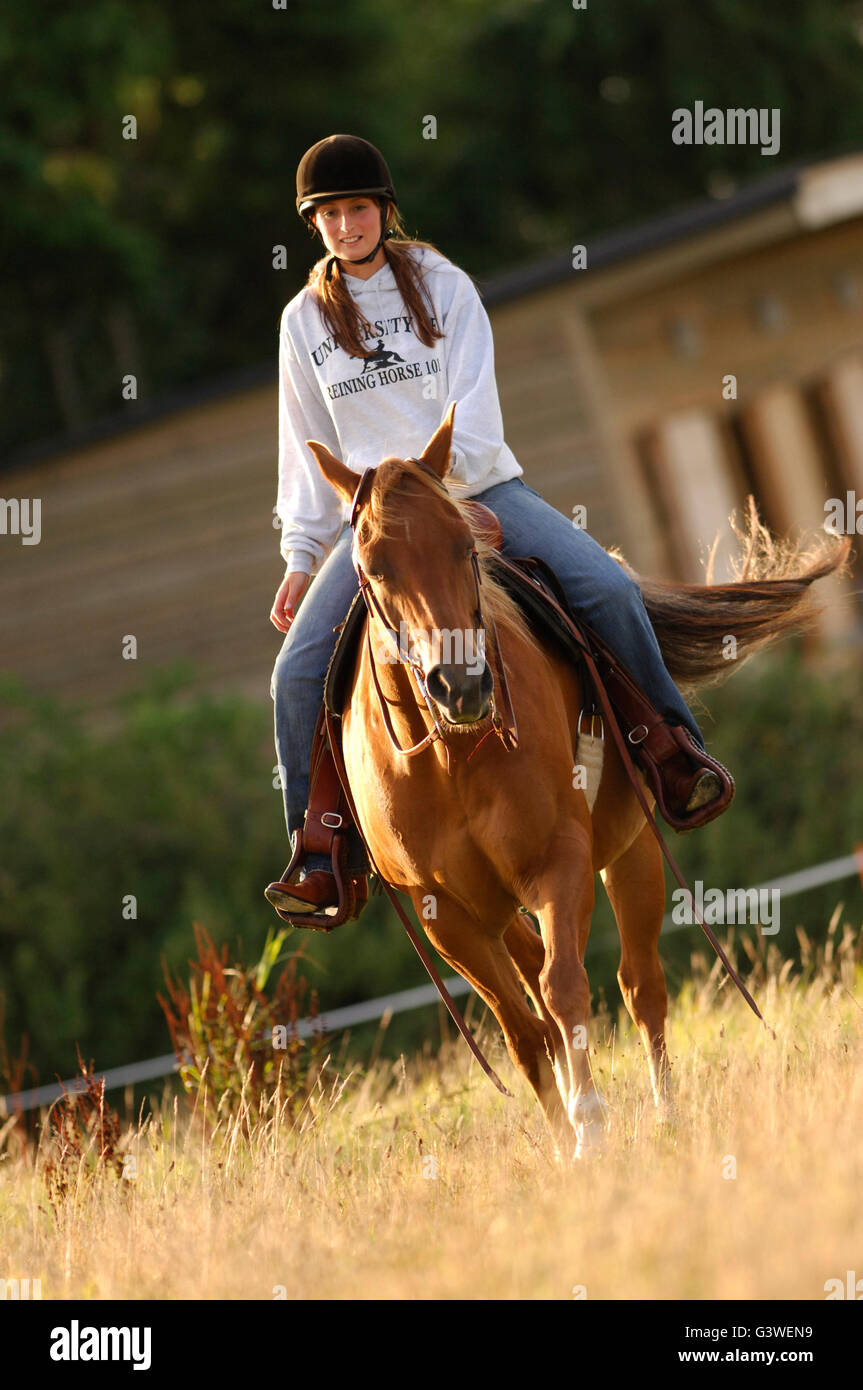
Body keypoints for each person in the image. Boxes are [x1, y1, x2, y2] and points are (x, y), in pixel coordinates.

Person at [265, 133, 731, 922]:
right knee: (293, 674)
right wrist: (303, 556)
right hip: (375, 526)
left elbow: (471, 404)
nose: (345, 226)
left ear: (383, 210)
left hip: (473, 489)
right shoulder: (303, 320)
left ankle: (669, 752)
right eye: (329, 215)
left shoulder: (442, 284)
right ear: (314, 226)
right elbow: (302, 443)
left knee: (609, 588)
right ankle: (324, 848)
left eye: (357, 209)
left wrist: (442, 491)